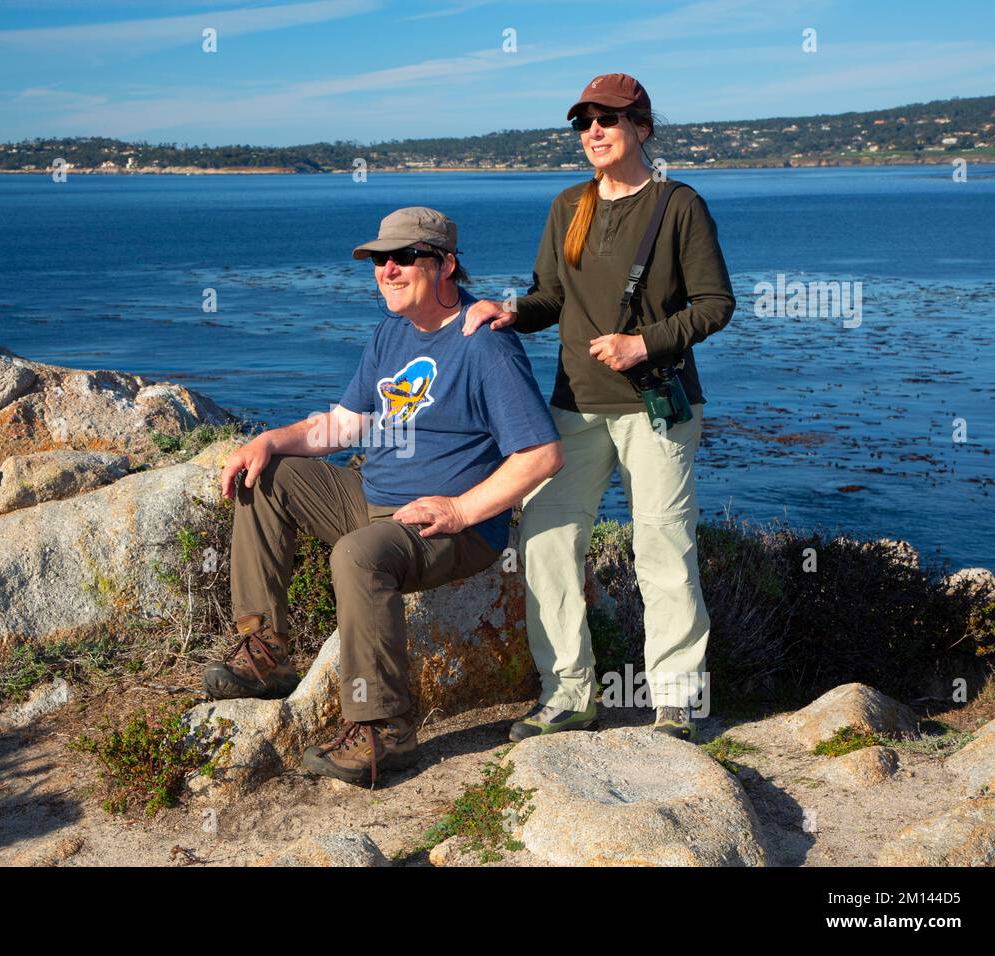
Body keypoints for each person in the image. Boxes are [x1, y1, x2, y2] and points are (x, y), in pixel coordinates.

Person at [208, 206, 563, 786]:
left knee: (358, 554)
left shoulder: (485, 347)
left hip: (453, 529)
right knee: (266, 475)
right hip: (375, 500)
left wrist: (460, 509)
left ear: (446, 264)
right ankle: (265, 651)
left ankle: (384, 730)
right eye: (380, 260)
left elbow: (542, 454)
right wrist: (269, 440)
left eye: (404, 258)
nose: (388, 271)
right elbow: (346, 425)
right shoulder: (390, 332)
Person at [464, 73, 735, 742]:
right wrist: (511, 310)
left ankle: (675, 704)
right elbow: (549, 296)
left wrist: (644, 343)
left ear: (641, 128)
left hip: (656, 407)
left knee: (663, 550)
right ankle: (568, 696)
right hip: (574, 407)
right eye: (584, 121)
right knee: (549, 545)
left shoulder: (679, 205)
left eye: (607, 120)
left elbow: (715, 305)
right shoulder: (568, 206)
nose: (593, 132)